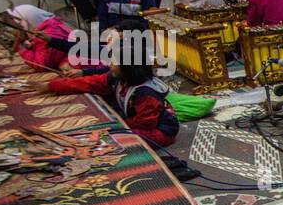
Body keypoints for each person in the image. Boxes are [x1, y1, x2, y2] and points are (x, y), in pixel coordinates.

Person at [31, 22, 179, 147]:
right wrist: (51, 86)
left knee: (113, 138)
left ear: (128, 67)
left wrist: (117, 124)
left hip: (159, 131)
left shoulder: (145, 93)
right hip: (138, 121)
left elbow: (145, 123)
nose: (111, 66)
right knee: (107, 131)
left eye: (114, 63)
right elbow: (87, 83)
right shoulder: (117, 77)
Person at [7, 4, 79, 72]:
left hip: (79, 64)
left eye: (19, 25)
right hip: (72, 58)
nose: (16, 29)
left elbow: (41, 65)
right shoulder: (50, 25)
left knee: (55, 85)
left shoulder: (46, 35)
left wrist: (21, 48)